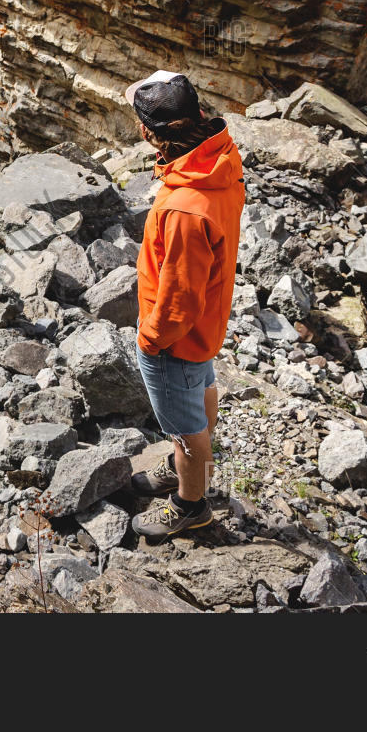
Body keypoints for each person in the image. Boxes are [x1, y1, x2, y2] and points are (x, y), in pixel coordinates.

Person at [120, 71, 246, 543]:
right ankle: (185, 466)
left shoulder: (183, 209)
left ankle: (191, 506)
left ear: (152, 132)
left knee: (186, 428)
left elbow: (178, 300)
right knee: (202, 392)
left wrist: (149, 341)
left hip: (176, 339)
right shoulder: (218, 160)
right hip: (205, 327)